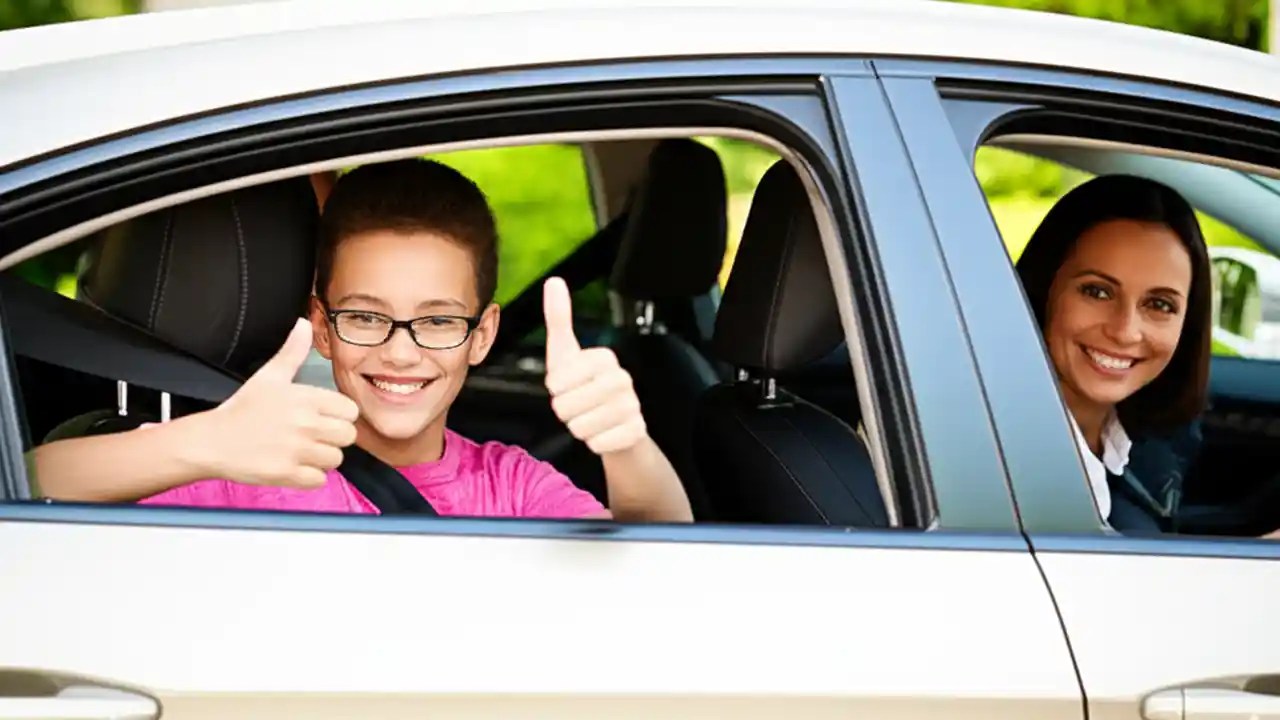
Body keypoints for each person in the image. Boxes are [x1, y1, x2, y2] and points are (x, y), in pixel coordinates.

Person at [32, 159, 694, 523]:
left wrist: (626, 446)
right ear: (322, 326)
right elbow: (29, 483)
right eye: (366, 317)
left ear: (482, 334)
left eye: (437, 320)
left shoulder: (510, 486)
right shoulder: (248, 470)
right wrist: (202, 444)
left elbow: (663, 546)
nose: (401, 352)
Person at [1016, 173, 1280, 538]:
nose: (1125, 330)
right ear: (1043, 289)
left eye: (1159, 304)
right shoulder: (1002, 465)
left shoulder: (1147, 445)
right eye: (1097, 291)